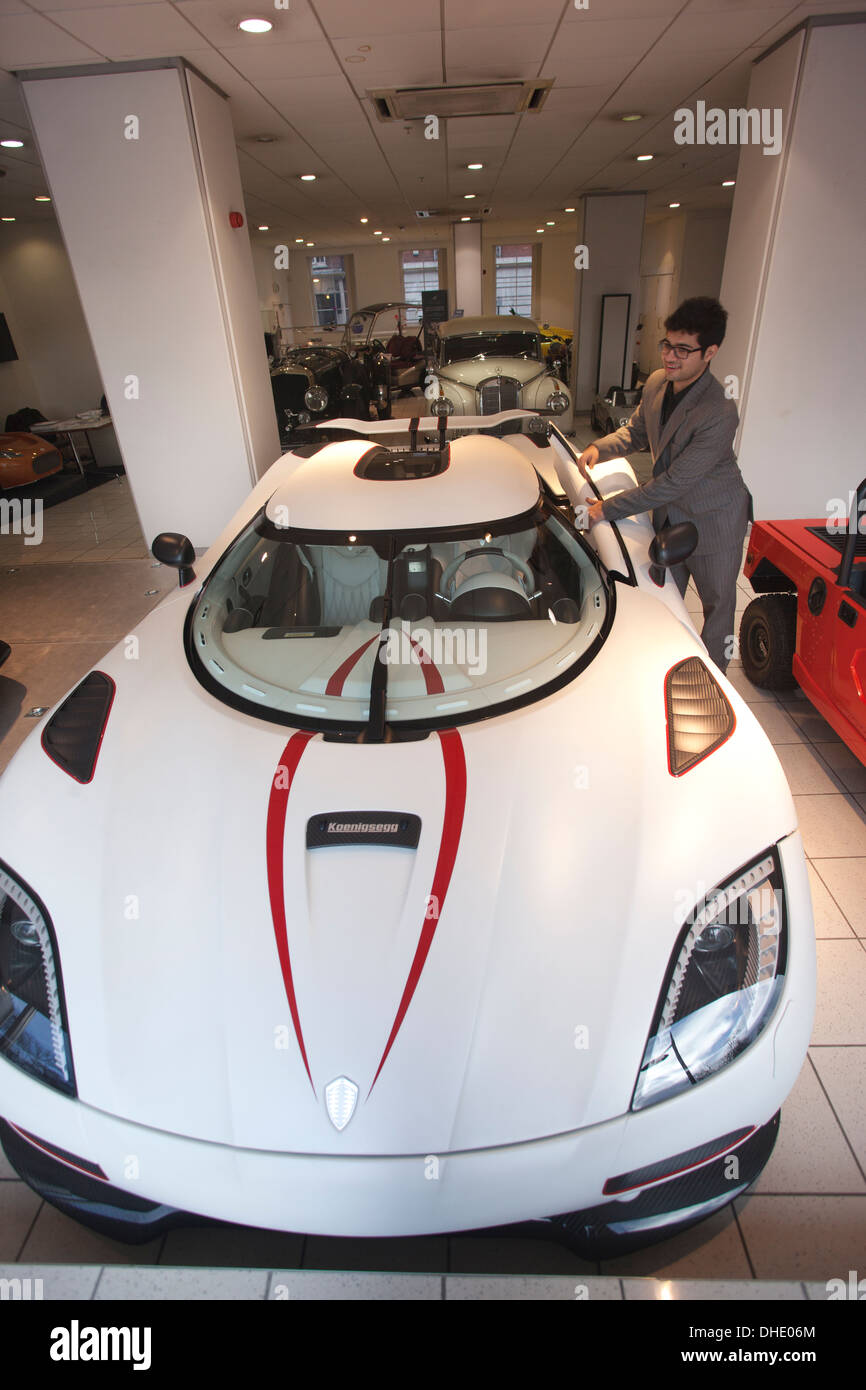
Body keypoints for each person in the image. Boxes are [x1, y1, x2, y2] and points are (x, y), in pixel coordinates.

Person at [578, 296, 751, 673]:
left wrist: (607, 508)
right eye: (667, 345)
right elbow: (637, 432)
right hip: (671, 517)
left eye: (683, 350)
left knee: (717, 607)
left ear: (710, 352)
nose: (670, 357)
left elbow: (673, 482)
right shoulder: (658, 383)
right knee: (663, 599)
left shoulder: (719, 411)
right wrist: (597, 447)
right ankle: (664, 669)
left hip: (714, 519)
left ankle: (715, 679)